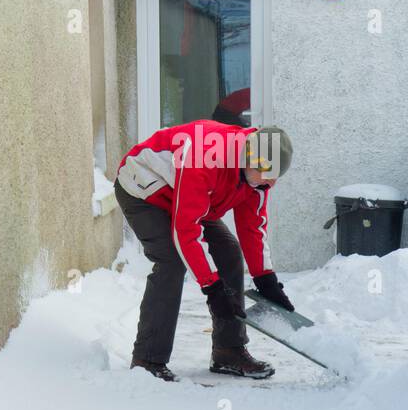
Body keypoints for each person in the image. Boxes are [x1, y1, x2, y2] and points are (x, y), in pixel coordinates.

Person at [114, 120, 295, 382]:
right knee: (171, 262)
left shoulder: (259, 179)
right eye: (264, 172)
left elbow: (252, 227)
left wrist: (266, 281)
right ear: (247, 157)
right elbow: (186, 232)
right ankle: (147, 360)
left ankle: (228, 350)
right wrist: (213, 289)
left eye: (274, 175)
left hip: (192, 197)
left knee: (230, 252)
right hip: (144, 188)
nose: (268, 181)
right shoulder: (205, 158)